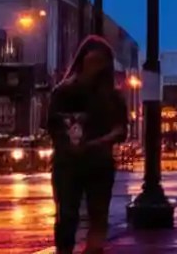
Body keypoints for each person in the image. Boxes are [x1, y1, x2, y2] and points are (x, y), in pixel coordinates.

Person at [48, 36, 129, 254]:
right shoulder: (64, 91)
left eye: (101, 62)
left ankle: (93, 250)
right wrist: (69, 142)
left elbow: (121, 130)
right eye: (92, 60)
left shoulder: (111, 97)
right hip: (68, 163)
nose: (96, 66)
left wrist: (98, 142)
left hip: (98, 162)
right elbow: (52, 126)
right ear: (82, 59)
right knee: (67, 215)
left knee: (98, 214)